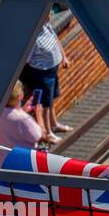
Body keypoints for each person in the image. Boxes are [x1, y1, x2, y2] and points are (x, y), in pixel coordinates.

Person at [20, 14, 70, 143]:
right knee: (45, 105)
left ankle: (54, 124)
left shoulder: (46, 26)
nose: (50, 16)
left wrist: (64, 57)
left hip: (53, 70)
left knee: (51, 99)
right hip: (42, 74)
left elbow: (56, 40)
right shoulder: (33, 37)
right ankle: (48, 133)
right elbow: (27, 60)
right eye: (47, 15)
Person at [0, 83, 45, 166]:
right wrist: (39, 115)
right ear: (20, 96)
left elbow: (8, 117)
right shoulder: (23, 119)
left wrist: (22, 110)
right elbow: (40, 137)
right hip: (16, 165)